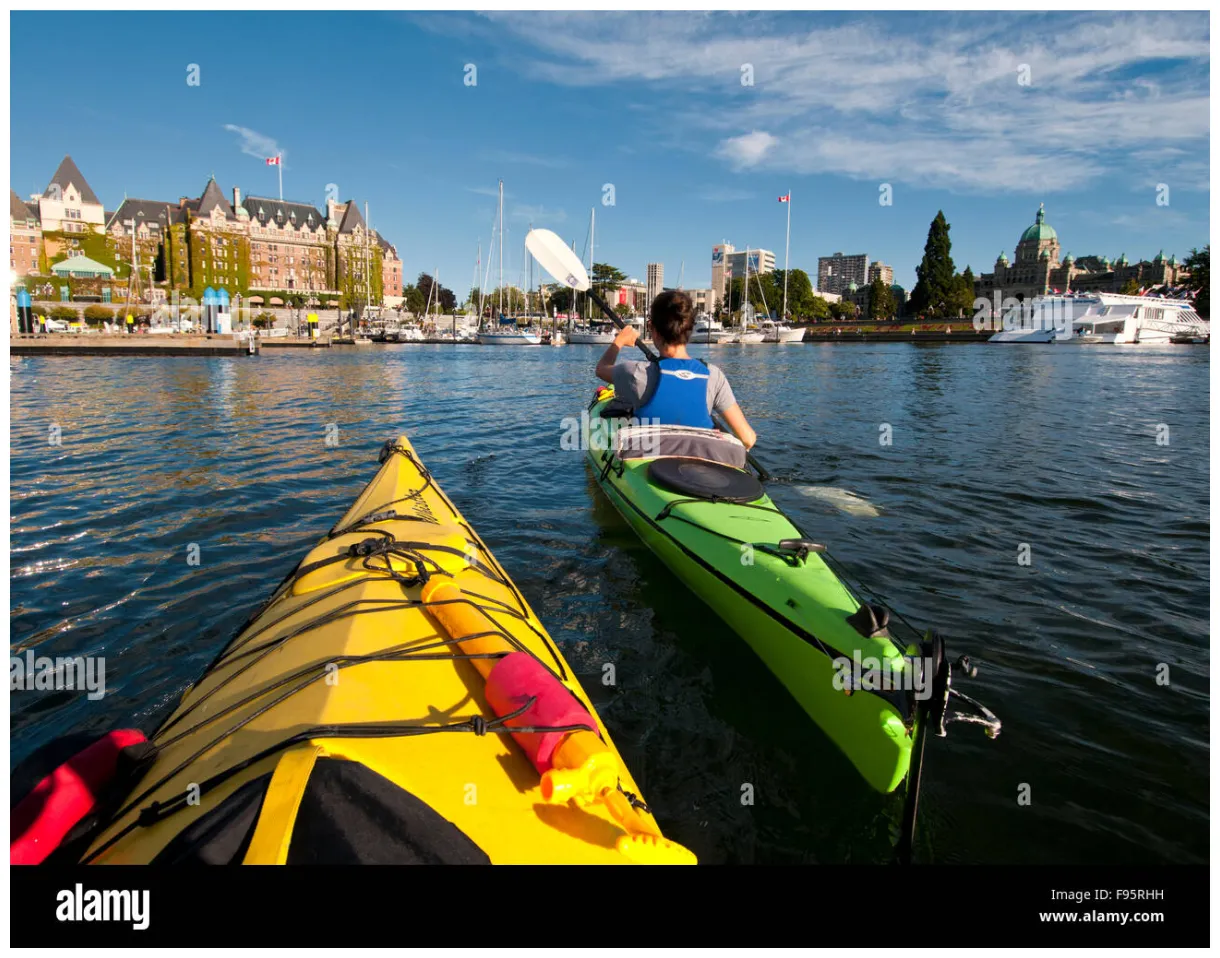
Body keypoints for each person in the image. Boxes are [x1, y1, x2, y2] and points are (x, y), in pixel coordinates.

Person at [595, 290, 756, 449]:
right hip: (702, 463)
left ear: (654, 331)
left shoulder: (635, 373)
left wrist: (620, 341)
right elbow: (748, 439)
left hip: (653, 460)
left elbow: (601, 369)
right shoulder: (713, 376)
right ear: (689, 330)